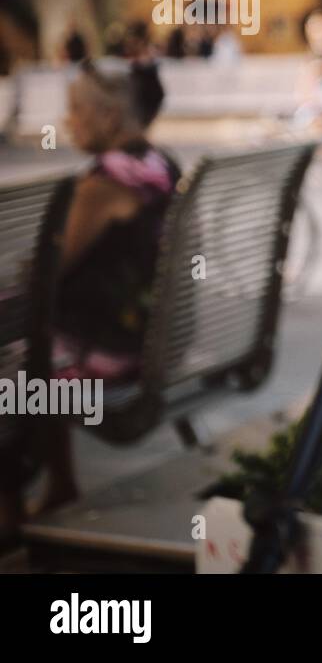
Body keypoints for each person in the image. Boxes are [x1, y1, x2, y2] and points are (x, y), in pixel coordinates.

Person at [36, 58, 182, 513]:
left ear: (109, 116)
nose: (68, 121)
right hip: (157, 341)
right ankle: (55, 488)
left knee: (16, 377)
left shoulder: (108, 179)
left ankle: (11, 506)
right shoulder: (161, 163)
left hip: (113, 354)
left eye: (76, 109)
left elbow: (47, 271)